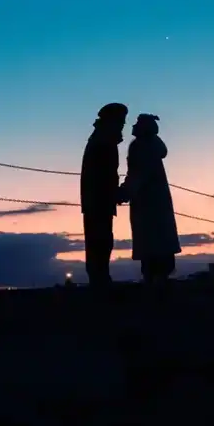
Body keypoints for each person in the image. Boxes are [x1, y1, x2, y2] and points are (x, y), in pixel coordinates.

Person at [119, 113, 181, 286]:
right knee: (160, 244)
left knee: (151, 246)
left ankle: (154, 284)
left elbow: (137, 174)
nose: (133, 126)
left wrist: (124, 192)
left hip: (146, 204)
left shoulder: (140, 147)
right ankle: (159, 280)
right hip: (156, 202)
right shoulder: (152, 146)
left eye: (137, 123)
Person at [80, 102, 128, 288]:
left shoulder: (102, 139)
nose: (123, 126)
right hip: (99, 200)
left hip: (98, 200)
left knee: (100, 241)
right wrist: (116, 193)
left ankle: (100, 279)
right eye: (121, 122)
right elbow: (104, 174)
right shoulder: (103, 141)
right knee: (100, 241)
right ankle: (100, 281)